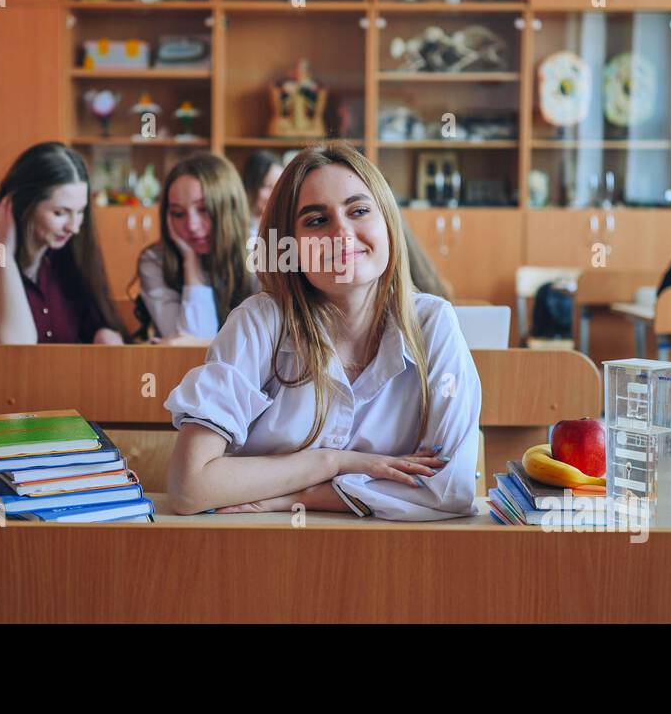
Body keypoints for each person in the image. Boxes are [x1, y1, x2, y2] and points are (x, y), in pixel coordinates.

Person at [163, 142, 481, 521]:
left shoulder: (433, 323)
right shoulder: (257, 323)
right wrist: (333, 462)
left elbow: (450, 490)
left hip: (392, 559)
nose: (341, 233)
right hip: (258, 555)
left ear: (388, 224)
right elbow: (188, 487)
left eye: (359, 211)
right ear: (289, 245)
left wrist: (299, 496)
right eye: (316, 220)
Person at [0, 142, 126, 469]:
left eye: (81, 212)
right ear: (19, 206)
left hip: (69, 427)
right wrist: (5, 251)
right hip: (2, 434)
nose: (74, 226)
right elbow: (18, 348)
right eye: (60, 213)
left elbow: (95, 324)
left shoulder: (68, 259)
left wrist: (104, 333)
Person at [135, 153, 257, 341]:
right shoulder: (155, 260)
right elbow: (188, 352)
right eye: (178, 213)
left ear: (230, 208)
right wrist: (191, 266)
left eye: (204, 209)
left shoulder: (259, 251)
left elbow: (266, 349)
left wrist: (199, 343)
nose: (191, 225)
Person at [241, 149, 283, 236]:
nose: (275, 194)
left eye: (278, 187)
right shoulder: (237, 226)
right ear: (250, 185)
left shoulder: (283, 223)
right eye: (268, 186)